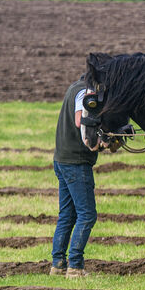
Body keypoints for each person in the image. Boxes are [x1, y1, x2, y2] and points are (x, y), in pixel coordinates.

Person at [51, 77, 102, 277]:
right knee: (87, 214)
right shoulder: (85, 93)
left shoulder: (74, 87)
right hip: (76, 163)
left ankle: (57, 264)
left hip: (62, 159)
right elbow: (80, 121)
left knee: (67, 215)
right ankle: (75, 266)